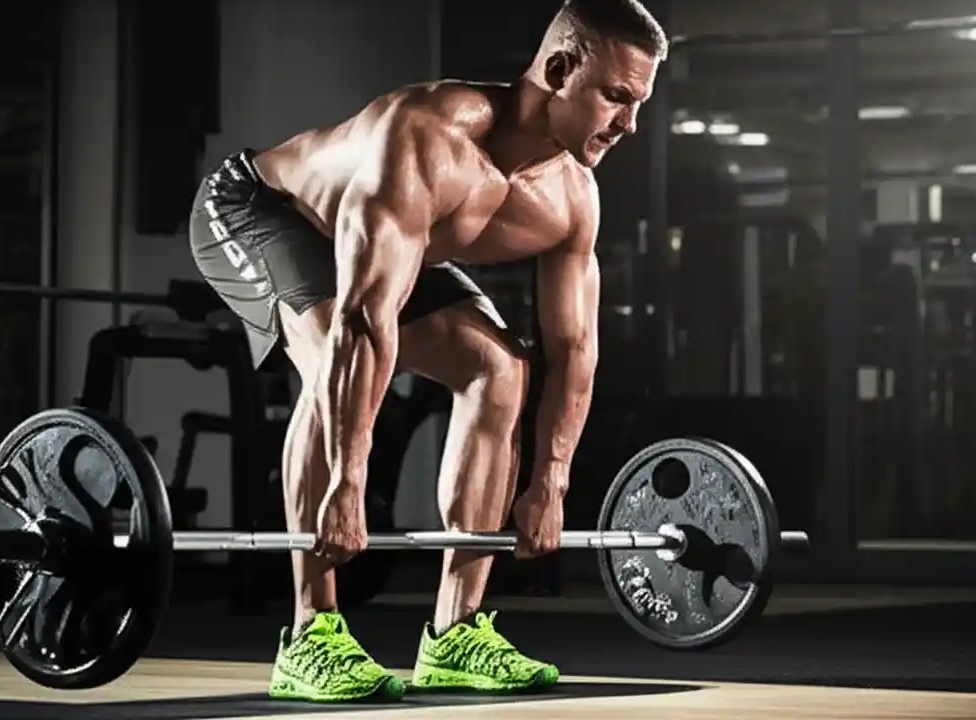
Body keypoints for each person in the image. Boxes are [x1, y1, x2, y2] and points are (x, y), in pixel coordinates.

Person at [188, 0, 667, 703]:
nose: (630, 124)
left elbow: (574, 350)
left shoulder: (571, 199)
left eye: (639, 103)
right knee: (329, 364)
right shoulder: (428, 135)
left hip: (384, 248)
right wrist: (348, 483)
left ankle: (456, 633)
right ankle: (310, 634)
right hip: (263, 210)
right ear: (561, 68)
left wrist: (550, 482)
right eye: (617, 97)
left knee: (500, 368)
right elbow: (362, 319)